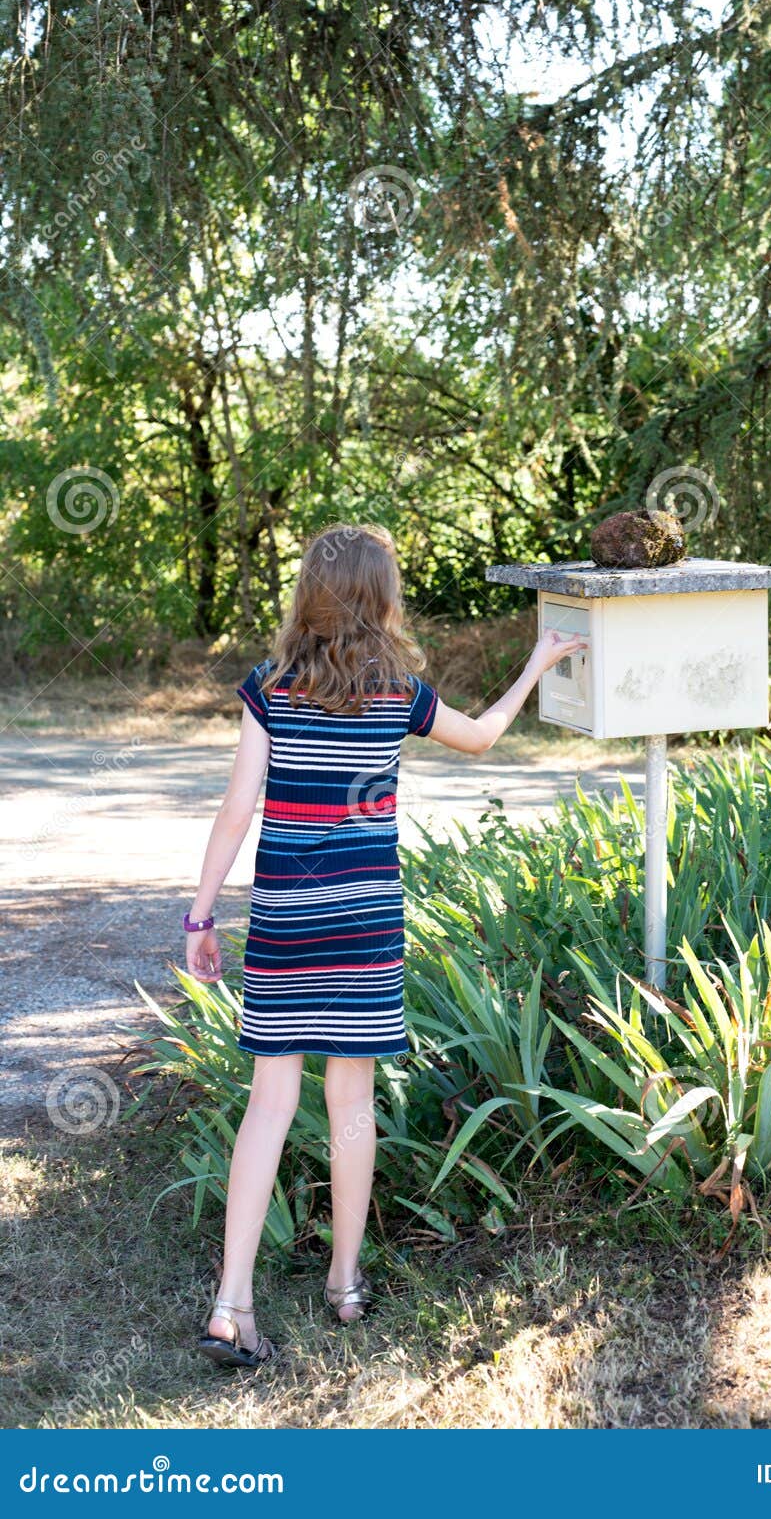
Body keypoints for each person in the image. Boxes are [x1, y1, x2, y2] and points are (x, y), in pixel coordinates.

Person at [186, 523, 584, 1368]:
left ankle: (231, 1302)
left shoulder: (270, 686)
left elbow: (235, 809)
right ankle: (343, 1283)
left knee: (269, 1103)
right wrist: (537, 664)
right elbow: (479, 737)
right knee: (351, 1103)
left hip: (287, 917)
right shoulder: (397, 691)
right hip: (364, 923)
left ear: (309, 594)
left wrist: (200, 916)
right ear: (381, 598)